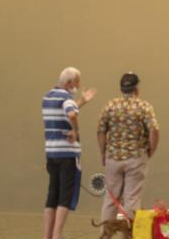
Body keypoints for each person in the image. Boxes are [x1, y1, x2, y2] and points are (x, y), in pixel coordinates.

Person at [42, 67, 97, 239]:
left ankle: (47, 235)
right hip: (67, 154)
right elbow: (71, 114)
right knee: (65, 196)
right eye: (77, 81)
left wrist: (83, 101)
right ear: (69, 83)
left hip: (51, 153)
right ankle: (58, 235)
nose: (79, 85)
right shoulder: (66, 98)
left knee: (53, 195)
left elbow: (67, 109)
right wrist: (75, 132)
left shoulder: (48, 97)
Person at [97, 72, 160, 222]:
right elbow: (154, 130)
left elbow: (100, 131)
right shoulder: (144, 107)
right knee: (132, 199)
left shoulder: (110, 106)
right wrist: (151, 149)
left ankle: (106, 234)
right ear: (137, 88)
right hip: (136, 158)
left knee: (110, 199)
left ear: (121, 88)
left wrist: (103, 153)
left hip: (113, 158)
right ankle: (130, 234)